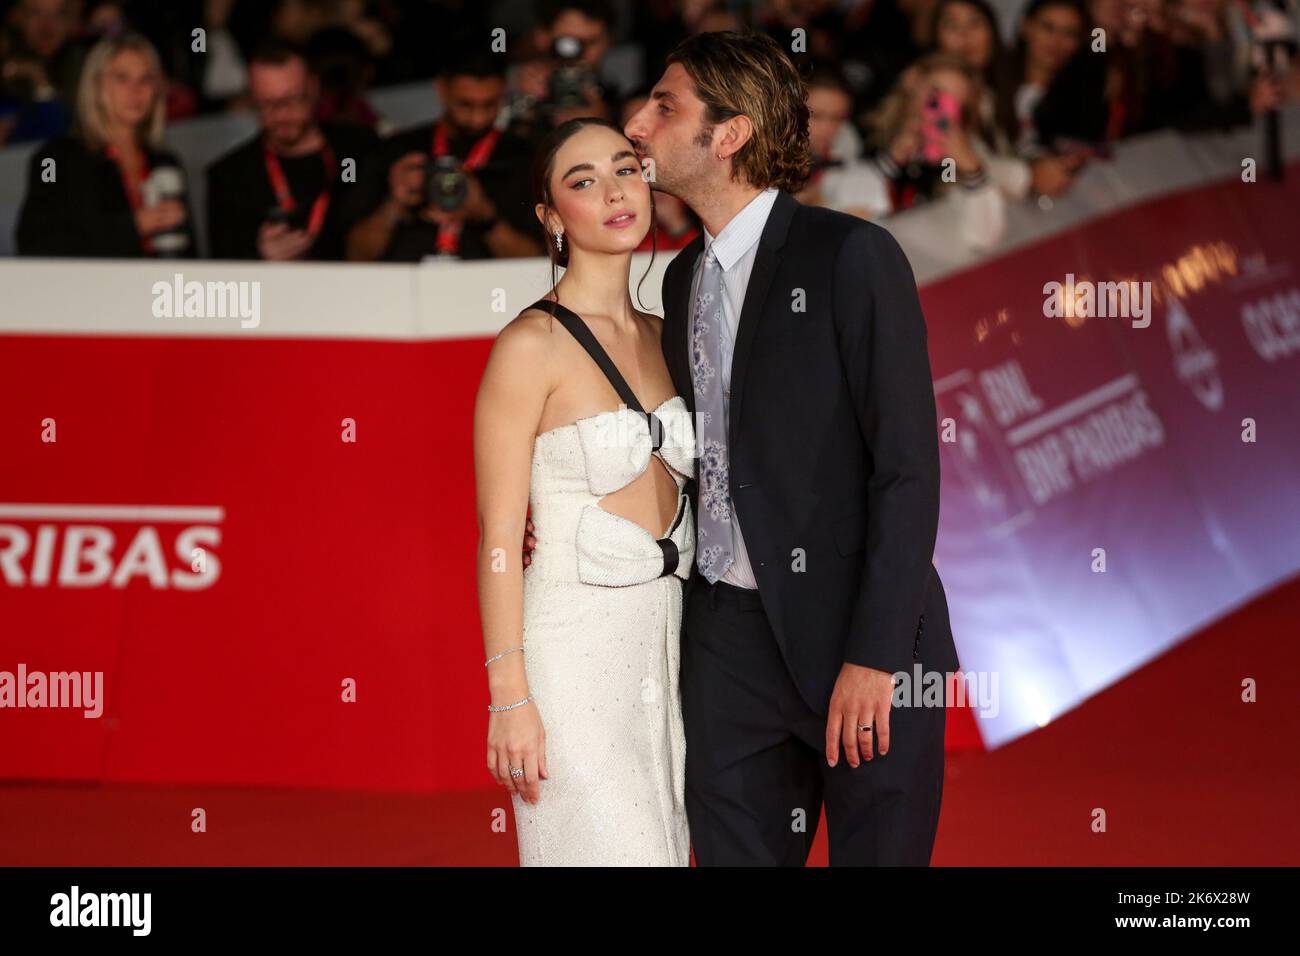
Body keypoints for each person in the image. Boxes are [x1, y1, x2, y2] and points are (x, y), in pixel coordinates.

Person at [527, 30, 961, 866]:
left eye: (665, 105)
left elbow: (909, 470)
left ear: (727, 135)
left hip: (861, 638)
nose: (639, 123)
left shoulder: (853, 256)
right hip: (726, 643)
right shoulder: (683, 279)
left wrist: (876, 655)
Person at [475, 117, 696, 866]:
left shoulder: (670, 334)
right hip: (572, 654)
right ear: (549, 218)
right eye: (582, 181)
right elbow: (501, 537)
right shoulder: (528, 346)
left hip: (671, 650)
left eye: (625, 169)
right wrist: (510, 698)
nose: (613, 192)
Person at [343, 48, 541, 261]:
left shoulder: (525, 158)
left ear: (503, 91)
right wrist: (393, 207)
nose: (477, 118)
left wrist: (486, 217)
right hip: (402, 287)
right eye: (465, 104)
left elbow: (538, 264)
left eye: (489, 104)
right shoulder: (396, 151)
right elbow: (354, 257)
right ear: (441, 90)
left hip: (491, 289)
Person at [15, 31, 197, 258]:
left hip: (158, 290)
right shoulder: (55, 160)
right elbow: (38, 245)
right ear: (96, 85)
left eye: (146, 79)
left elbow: (189, 255)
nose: (135, 91)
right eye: (122, 78)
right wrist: (133, 226)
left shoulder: (165, 162)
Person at [205, 41, 377, 261]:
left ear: (313, 89)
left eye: (293, 99)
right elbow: (219, 272)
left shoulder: (358, 149)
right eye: (267, 104)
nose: (282, 114)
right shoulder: (229, 176)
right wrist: (258, 259)